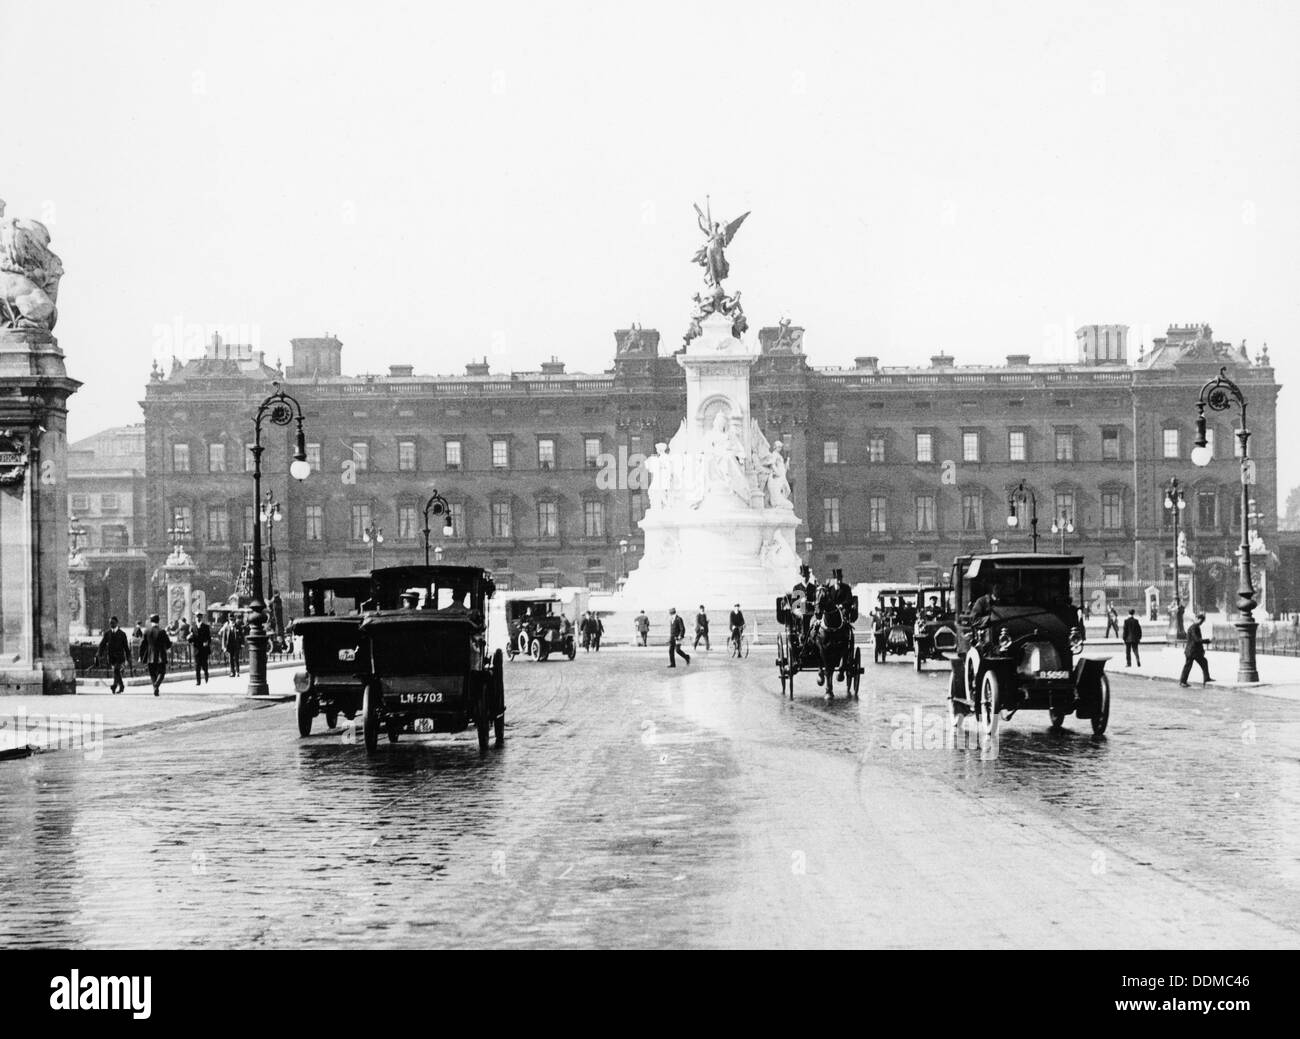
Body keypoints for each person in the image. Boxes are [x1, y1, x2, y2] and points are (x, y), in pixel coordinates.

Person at [140, 614, 172, 696]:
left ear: (151, 621)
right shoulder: (162, 631)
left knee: (152, 673)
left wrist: (141, 656)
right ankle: (156, 685)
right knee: (162, 672)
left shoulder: (146, 631)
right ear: (158, 621)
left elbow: (142, 645)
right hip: (161, 655)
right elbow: (168, 644)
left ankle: (155, 687)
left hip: (150, 656)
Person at [97, 616, 129, 694]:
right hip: (111, 657)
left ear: (117, 623)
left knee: (116, 670)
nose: (111, 624)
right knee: (116, 671)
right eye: (110, 623)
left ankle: (115, 685)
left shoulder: (122, 634)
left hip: (119, 657)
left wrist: (128, 657)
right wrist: (99, 654)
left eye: (113, 623)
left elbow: (126, 647)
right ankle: (120, 686)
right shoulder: (107, 633)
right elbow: (102, 644)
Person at [1179, 612, 1212, 687]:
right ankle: (1183, 682)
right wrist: (1207, 640)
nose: (1201, 622)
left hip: (1193, 651)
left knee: (1201, 662)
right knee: (1189, 666)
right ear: (1197, 619)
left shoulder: (1195, 627)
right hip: (1192, 651)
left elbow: (1196, 641)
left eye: (1202, 621)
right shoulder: (1194, 627)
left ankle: (1206, 678)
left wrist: (1202, 650)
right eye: (1200, 620)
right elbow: (1197, 640)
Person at [188, 611, 212, 685]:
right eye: (196, 617)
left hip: (204, 649)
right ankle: (198, 681)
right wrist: (189, 639)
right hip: (196, 649)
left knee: (204, 665)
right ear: (195, 618)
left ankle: (206, 674)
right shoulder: (193, 627)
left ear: (201, 618)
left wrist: (207, 643)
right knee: (197, 666)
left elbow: (209, 638)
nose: (198, 618)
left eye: (199, 617)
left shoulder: (206, 627)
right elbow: (191, 639)